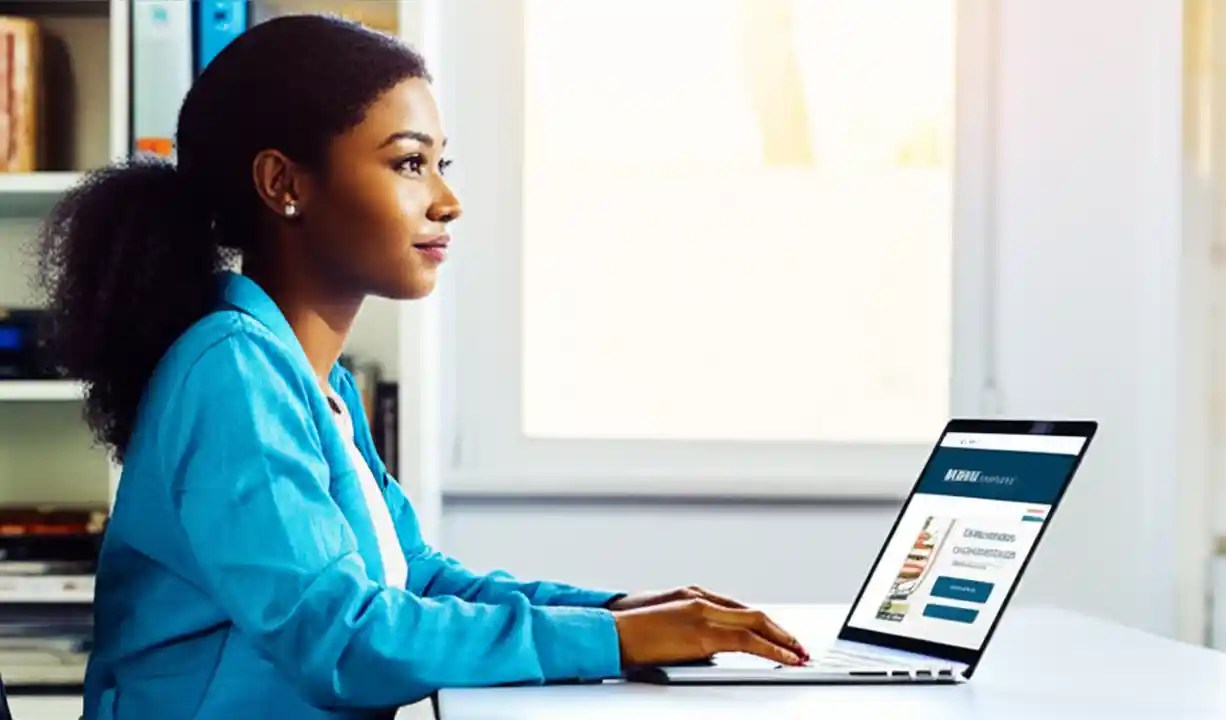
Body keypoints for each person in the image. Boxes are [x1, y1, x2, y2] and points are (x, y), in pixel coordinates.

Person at [35, 15, 808, 720]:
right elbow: (343, 640)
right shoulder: (231, 372)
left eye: (441, 163)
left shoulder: (314, 379)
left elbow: (413, 577)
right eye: (409, 164)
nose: (446, 201)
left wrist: (618, 613)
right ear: (284, 184)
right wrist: (612, 642)